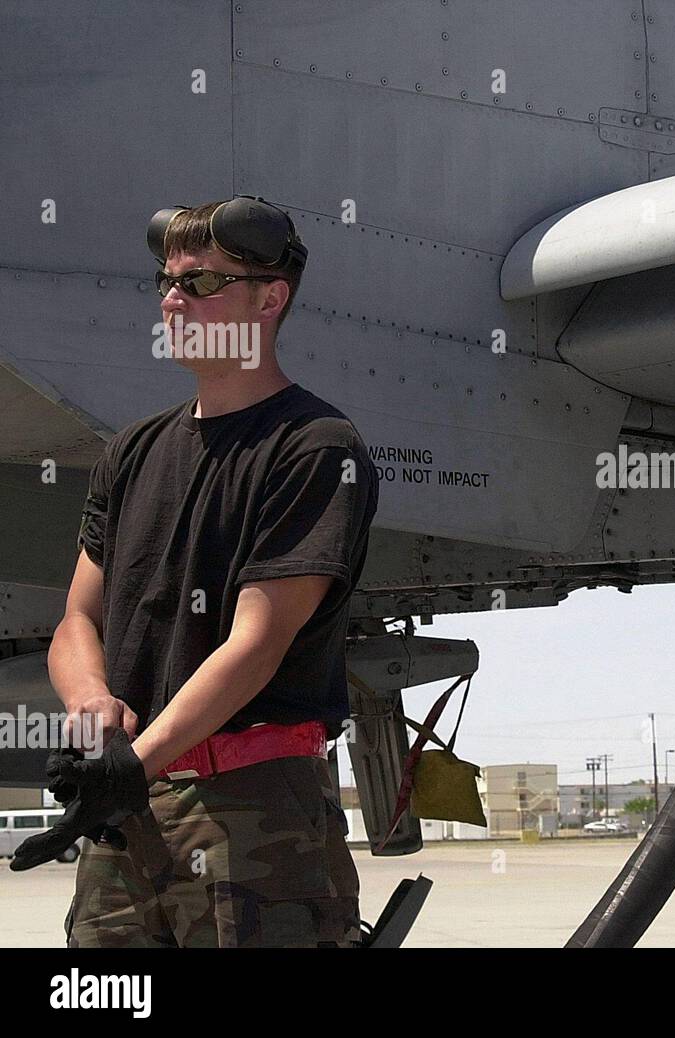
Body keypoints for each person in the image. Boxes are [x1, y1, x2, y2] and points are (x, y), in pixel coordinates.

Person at [10, 197, 379, 948]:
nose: (172, 298)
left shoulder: (314, 447)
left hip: (252, 814)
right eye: (167, 280)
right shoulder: (133, 451)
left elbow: (258, 643)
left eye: (203, 282)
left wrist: (131, 768)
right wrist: (92, 704)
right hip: (128, 814)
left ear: (269, 298)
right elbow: (78, 622)